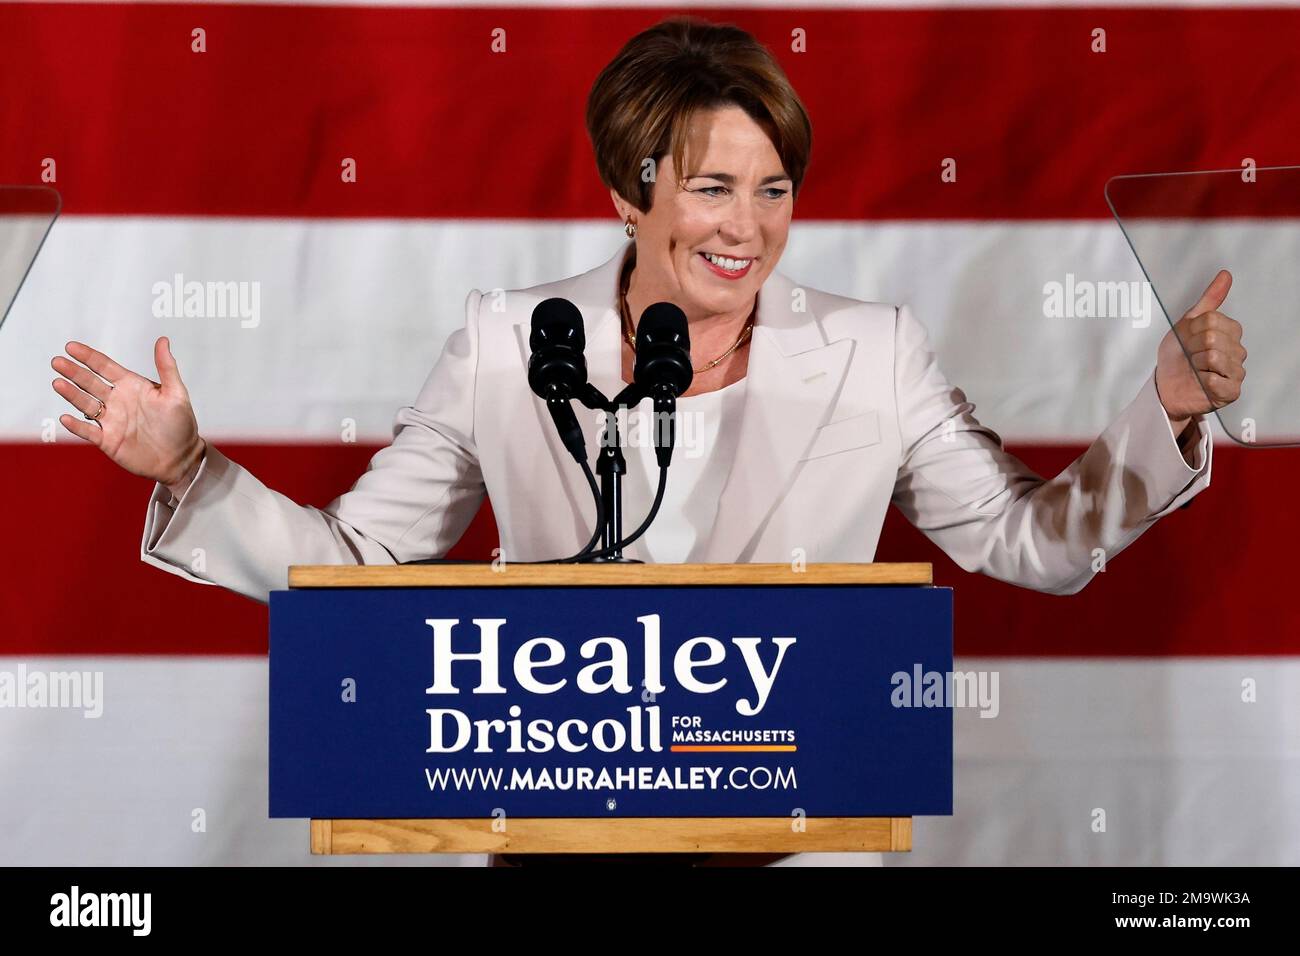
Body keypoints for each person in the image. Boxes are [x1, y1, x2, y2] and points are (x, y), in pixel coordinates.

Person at [48, 17, 1245, 866]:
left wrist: (1167, 411)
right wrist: (191, 470)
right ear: (629, 191)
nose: (748, 228)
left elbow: (1028, 540)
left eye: (774, 189)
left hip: (792, 853)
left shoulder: (874, 350)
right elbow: (358, 564)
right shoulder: (509, 341)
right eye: (712, 189)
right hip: (556, 852)